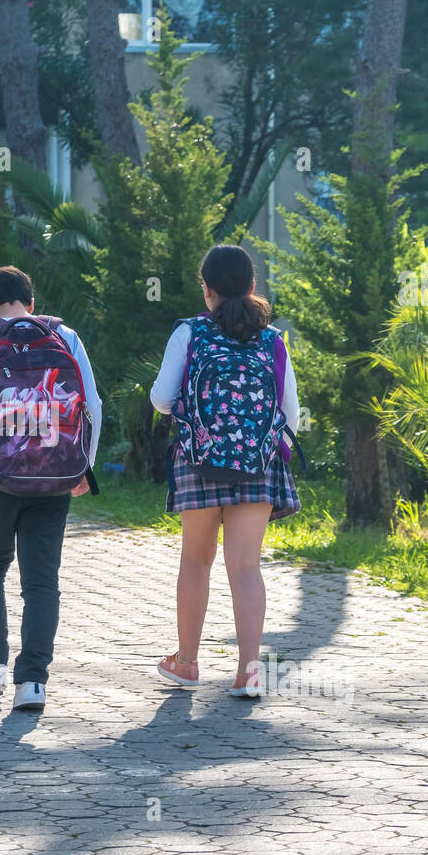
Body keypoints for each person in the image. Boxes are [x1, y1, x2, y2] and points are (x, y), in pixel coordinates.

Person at [0, 266, 101, 712]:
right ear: (31, 302)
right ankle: (33, 682)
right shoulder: (64, 336)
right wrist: (81, 464)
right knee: (42, 580)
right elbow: (92, 403)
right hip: (54, 473)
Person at [148, 244, 301, 697]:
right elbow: (289, 413)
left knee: (196, 560)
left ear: (206, 289)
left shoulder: (189, 332)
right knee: (246, 567)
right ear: (253, 287)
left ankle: (188, 663)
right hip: (257, 464)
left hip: (200, 460)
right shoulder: (273, 340)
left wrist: (200, 420)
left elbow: (160, 398)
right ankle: (249, 673)